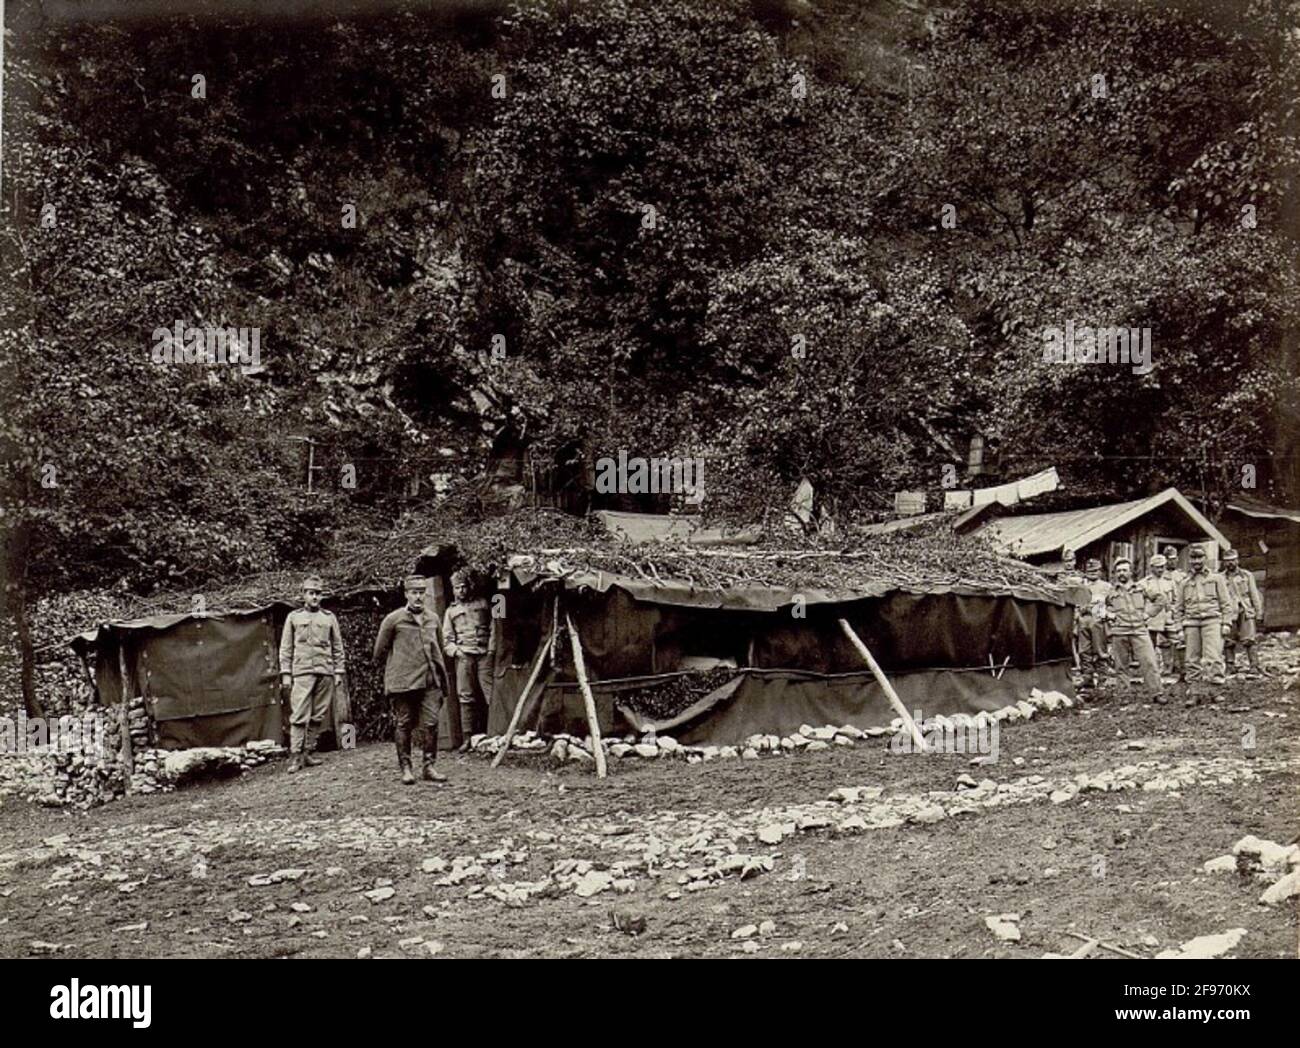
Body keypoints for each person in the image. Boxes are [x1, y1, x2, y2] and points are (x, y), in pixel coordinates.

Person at [374, 575, 450, 785]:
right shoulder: (394, 619)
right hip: (404, 682)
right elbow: (379, 652)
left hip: (429, 680)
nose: (418, 597)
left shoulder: (433, 619)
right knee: (404, 723)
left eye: (421, 593)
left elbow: (440, 648)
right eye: (413, 593)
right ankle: (406, 768)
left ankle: (429, 766)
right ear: (406, 594)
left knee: (431, 723)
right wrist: (399, 667)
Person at [279, 574, 346, 773]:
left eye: (318, 593)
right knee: (299, 715)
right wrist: (286, 673)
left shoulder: (329, 618)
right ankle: (295, 756)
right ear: (304, 595)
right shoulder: (294, 617)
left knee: (318, 715)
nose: (315, 597)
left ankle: (308, 752)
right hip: (302, 672)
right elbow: (286, 648)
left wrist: (339, 671)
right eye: (311, 593)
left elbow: (337, 646)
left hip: (325, 671)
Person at [442, 568, 495, 752]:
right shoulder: (450, 612)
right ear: (453, 590)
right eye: (457, 588)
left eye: (464, 587)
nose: (461, 591)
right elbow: (446, 639)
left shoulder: (483, 603)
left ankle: (494, 733)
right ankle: (467, 738)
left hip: (483, 653)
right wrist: (457, 652)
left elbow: (495, 625)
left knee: (490, 693)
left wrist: (491, 649)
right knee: (465, 696)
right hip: (464, 655)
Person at [1174, 545, 1232, 698]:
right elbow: (1178, 608)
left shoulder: (1216, 578)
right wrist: (1179, 629)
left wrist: (1226, 623)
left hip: (1212, 621)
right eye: (1193, 558)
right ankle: (1195, 693)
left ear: (1205, 559)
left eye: (1199, 557)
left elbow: (1226, 603)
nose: (1196, 561)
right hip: (1191, 623)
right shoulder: (1184, 582)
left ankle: (1215, 692)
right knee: (1191, 659)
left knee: (1214, 657)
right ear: (1189, 560)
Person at [1105, 558, 1164, 702]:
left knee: (1149, 661)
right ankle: (1124, 695)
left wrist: (1148, 614)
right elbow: (1099, 608)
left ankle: (1157, 693)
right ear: (1115, 574)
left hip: (1139, 630)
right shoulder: (1110, 592)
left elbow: (1160, 599)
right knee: (1121, 666)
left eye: (1124, 570)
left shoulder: (1141, 588)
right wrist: (1108, 614)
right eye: (1118, 571)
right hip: (1119, 632)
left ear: (1131, 572)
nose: (1122, 573)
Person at [1221, 549, 1265, 675]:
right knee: (1228, 640)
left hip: (1246, 610)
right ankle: (1230, 666)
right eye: (1227, 561)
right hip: (1229, 612)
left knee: (1250, 639)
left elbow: (1254, 594)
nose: (1230, 563)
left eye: (1233, 560)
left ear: (1237, 560)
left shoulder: (1246, 575)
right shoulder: (1220, 578)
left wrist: (1259, 612)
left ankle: (1254, 665)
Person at [1143, 554, 1183, 681]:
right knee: (1149, 646)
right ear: (1151, 567)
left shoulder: (1170, 582)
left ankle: (1183, 672)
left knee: (1179, 642)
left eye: (1162, 567)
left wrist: (1175, 614)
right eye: (1157, 567)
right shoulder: (1144, 583)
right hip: (1152, 620)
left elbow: (1176, 600)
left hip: (1168, 618)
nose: (1160, 569)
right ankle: (1151, 674)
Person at [1076, 558, 1112, 688]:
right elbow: (1075, 604)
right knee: (1084, 651)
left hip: (1098, 622)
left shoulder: (1107, 587)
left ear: (1100, 572)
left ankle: (1103, 678)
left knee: (1100, 651)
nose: (1092, 573)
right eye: (1089, 571)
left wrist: (1106, 613)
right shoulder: (1081, 586)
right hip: (1083, 621)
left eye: (1095, 570)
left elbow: (1112, 604)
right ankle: (1087, 677)